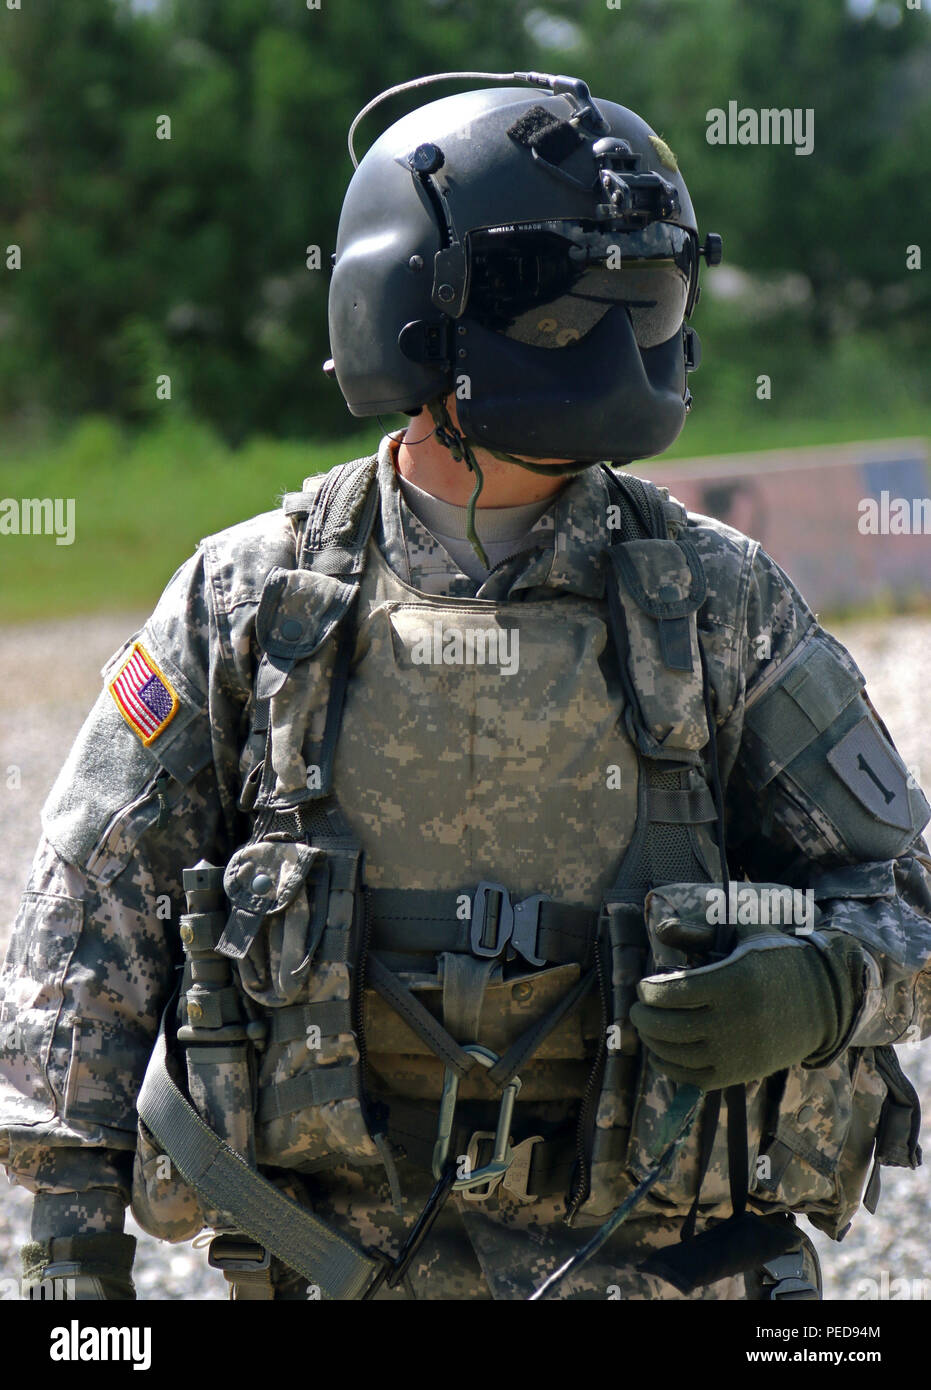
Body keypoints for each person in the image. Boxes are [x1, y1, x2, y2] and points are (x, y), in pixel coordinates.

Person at [2, 71, 929, 1303]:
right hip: (329, 1270)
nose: (616, 342)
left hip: (662, 1273)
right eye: (566, 305)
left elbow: (905, 900)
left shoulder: (715, 601)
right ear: (405, 314)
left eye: (645, 296)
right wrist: (71, 1268)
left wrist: (817, 984)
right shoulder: (255, 601)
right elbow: (82, 947)